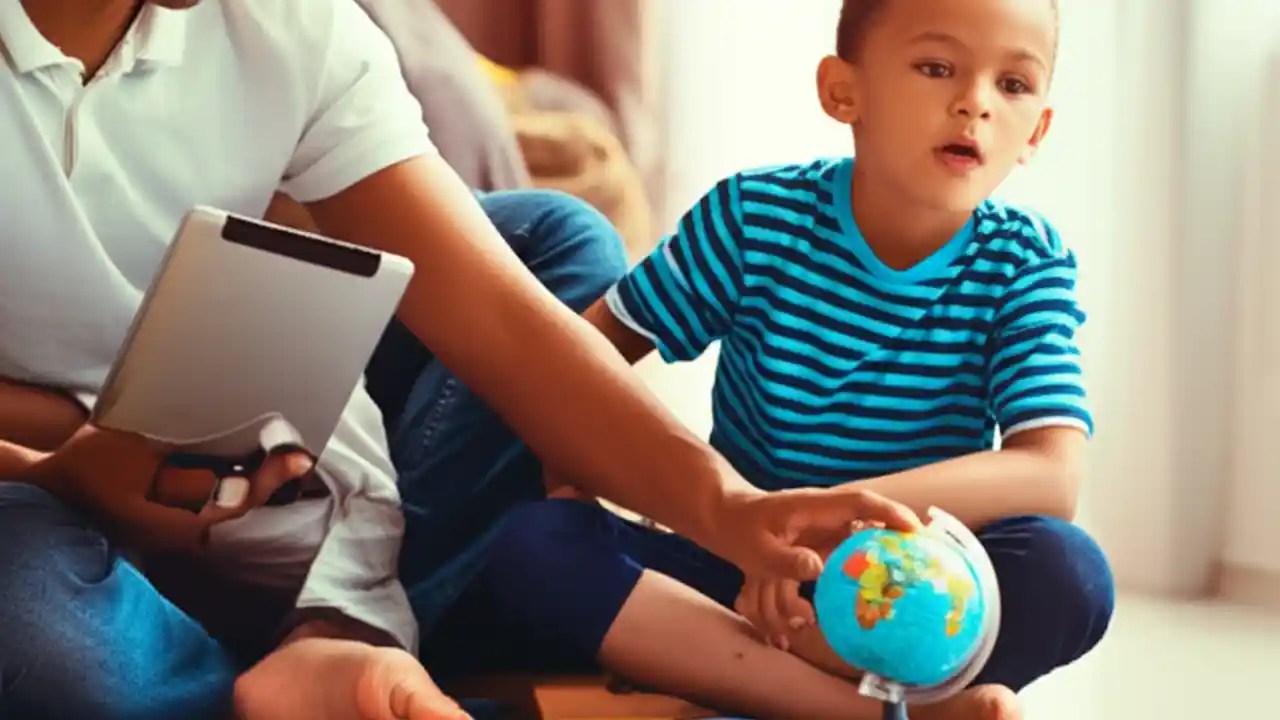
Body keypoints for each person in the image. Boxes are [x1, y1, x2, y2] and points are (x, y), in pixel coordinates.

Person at [0, 1, 921, 719]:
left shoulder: (284, 25)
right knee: (37, 643)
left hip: (221, 447)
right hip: (37, 499)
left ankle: (332, 633)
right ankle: (285, 668)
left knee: (556, 244)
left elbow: (496, 317)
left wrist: (728, 507)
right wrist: (66, 468)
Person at [459, 0, 1116, 718]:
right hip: (734, 566)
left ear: (1038, 131)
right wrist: (574, 490)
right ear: (844, 91)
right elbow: (588, 357)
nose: (974, 104)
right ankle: (876, 711)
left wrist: (827, 525)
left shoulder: (1026, 262)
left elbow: (1051, 473)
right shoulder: (754, 218)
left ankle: (758, 687)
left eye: (1013, 85)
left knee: (1069, 573)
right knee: (535, 544)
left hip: (914, 590)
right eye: (937, 68)